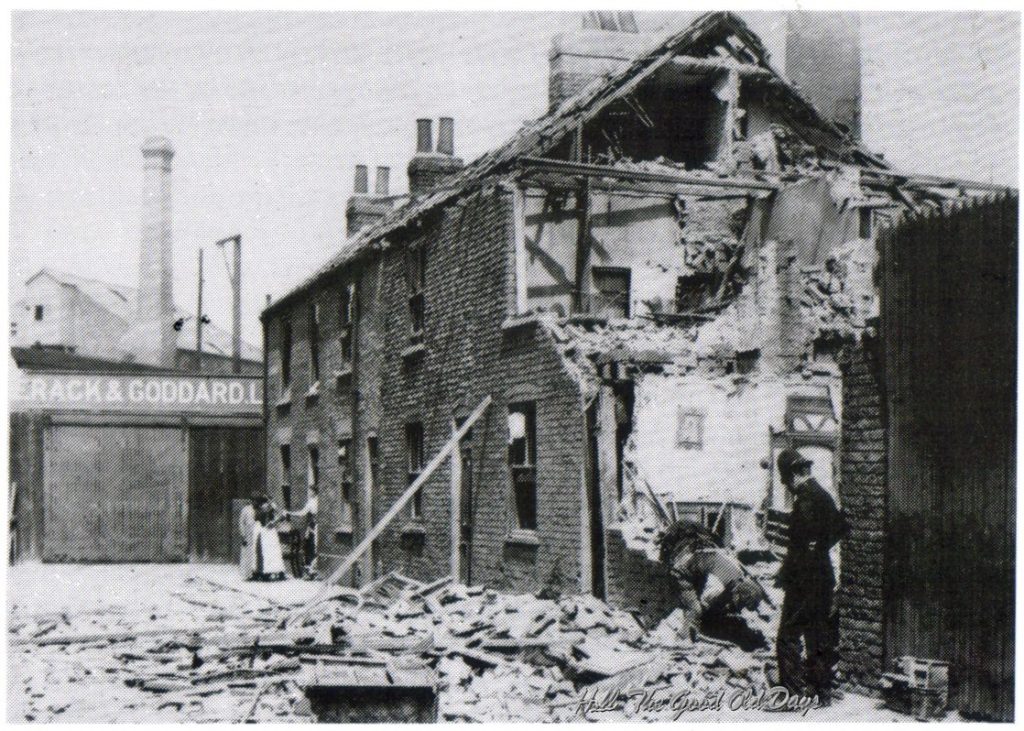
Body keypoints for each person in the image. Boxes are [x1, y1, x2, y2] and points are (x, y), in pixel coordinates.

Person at [774, 448, 848, 702]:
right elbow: (841, 527)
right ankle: (822, 691)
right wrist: (820, 547)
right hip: (823, 578)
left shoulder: (804, 500)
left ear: (794, 475)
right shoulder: (824, 495)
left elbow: (800, 546)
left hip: (804, 581)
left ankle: (790, 695)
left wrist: (786, 573)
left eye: (786, 481)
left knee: (787, 637)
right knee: (817, 635)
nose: (788, 486)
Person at [239, 495, 287, 581]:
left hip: (268, 532)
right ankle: (260, 572)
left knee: (270, 552)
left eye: (269, 501)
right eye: (266, 501)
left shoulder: (269, 507)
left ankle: (272, 572)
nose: (267, 504)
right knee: (261, 552)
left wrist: (273, 522)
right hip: (262, 531)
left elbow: (282, 515)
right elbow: (259, 519)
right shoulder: (259, 508)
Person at [287, 485, 319, 579]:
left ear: (314, 491)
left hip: (313, 527)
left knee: (311, 547)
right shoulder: (317, 500)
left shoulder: (312, 501)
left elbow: (303, 513)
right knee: (313, 547)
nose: (309, 493)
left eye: (311, 491)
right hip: (315, 526)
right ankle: (312, 570)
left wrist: (290, 513)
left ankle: (311, 569)